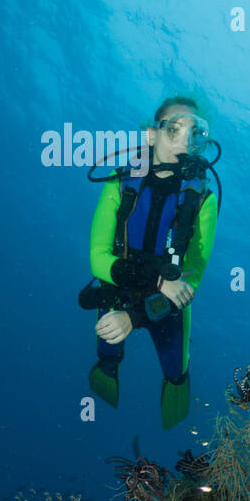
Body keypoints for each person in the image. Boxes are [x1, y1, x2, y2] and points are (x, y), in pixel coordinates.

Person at [82, 97, 219, 429]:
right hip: (118, 289)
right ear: (150, 135)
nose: (185, 141)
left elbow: (190, 284)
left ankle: (174, 432)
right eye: (174, 129)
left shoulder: (203, 200)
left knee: (176, 374)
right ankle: (107, 376)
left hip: (167, 304)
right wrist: (157, 281)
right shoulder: (119, 180)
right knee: (107, 355)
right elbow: (98, 259)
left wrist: (135, 316)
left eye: (195, 134)